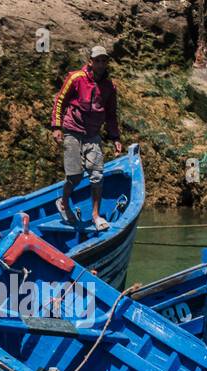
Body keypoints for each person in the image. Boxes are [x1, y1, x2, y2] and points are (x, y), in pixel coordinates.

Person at [50, 46, 122, 232]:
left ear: (107, 63)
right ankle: (64, 202)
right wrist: (57, 126)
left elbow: (111, 114)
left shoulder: (109, 87)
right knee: (74, 176)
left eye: (103, 61)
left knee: (97, 176)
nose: (100, 64)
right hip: (72, 131)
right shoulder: (76, 78)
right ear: (90, 61)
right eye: (97, 60)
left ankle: (96, 216)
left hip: (93, 134)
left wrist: (115, 137)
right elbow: (60, 100)